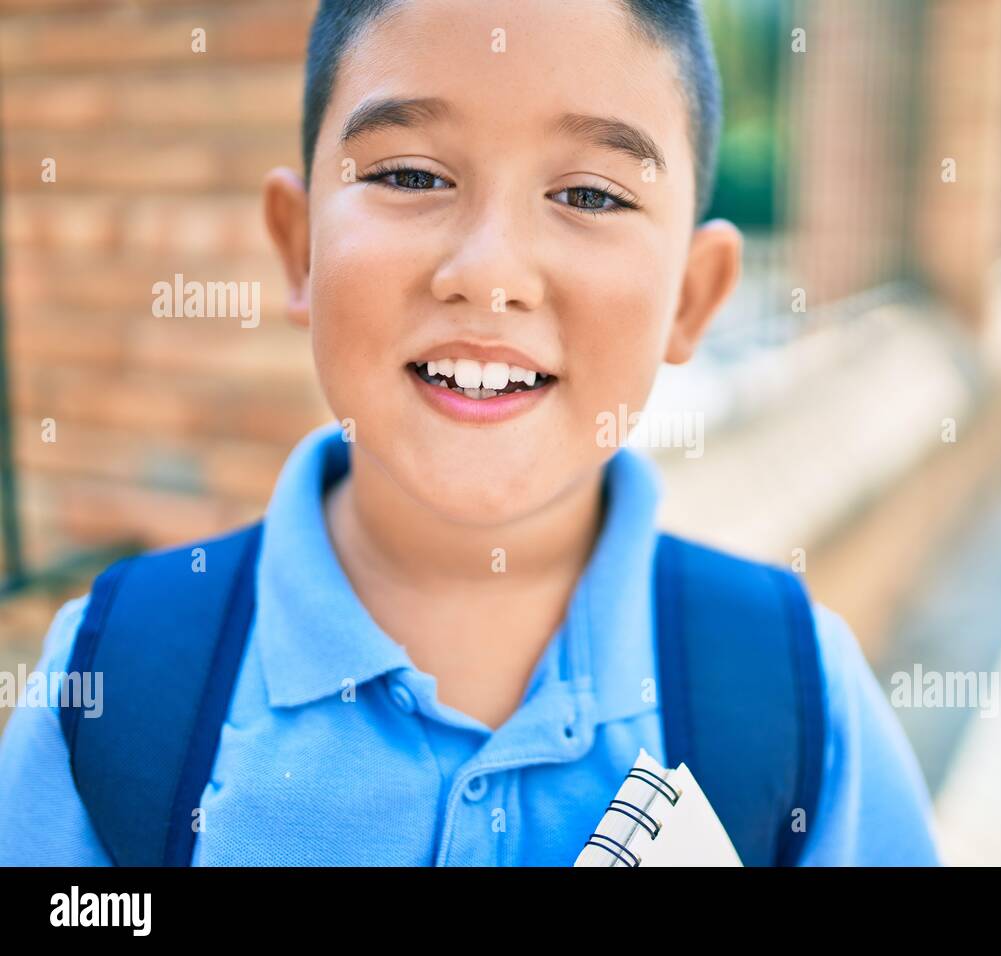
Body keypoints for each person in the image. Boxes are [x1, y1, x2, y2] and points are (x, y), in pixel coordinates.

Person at [0, 0, 940, 866]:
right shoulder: (116, 685)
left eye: (592, 196)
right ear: (299, 246)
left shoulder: (795, 697)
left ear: (692, 298)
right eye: (410, 174)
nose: (490, 272)